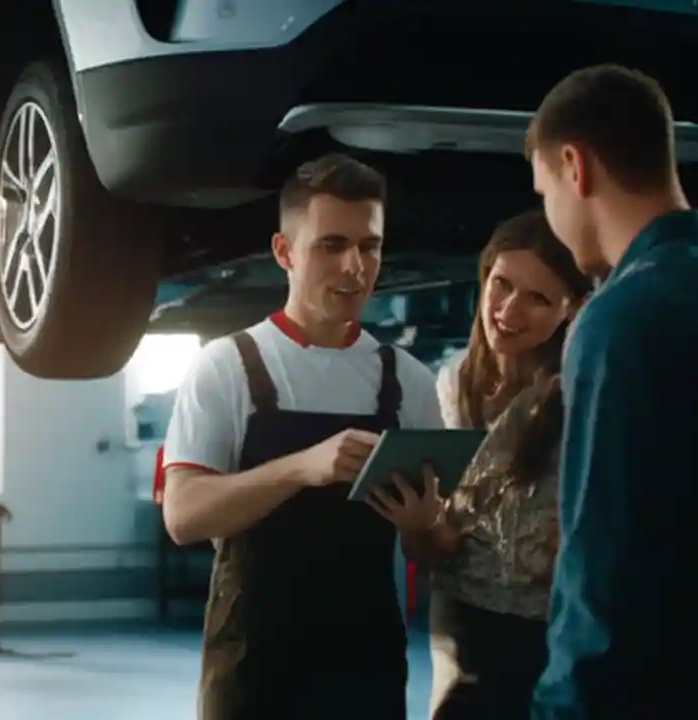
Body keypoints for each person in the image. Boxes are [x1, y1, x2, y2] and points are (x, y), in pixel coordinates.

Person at [525, 63, 698, 718]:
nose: (552, 220)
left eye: (545, 194)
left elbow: (601, 592)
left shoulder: (623, 316)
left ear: (575, 166)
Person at [161, 152, 443, 720]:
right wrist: (301, 467)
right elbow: (184, 515)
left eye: (370, 247)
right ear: (284, 252)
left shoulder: (407, 381)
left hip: (365, 669)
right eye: (332, 245)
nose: (355, 268)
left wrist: (424, 529)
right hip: (252, 670)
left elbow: (429, 550)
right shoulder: (228, 366)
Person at [368, 209, 592, 719]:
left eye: (538, 298)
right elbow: (443, 547)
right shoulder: (451, 384)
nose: (509, 310)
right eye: (502, 284)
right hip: (461, 632)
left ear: (572, 307)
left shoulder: (582, 398)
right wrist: (419, 524)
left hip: (553, 637)